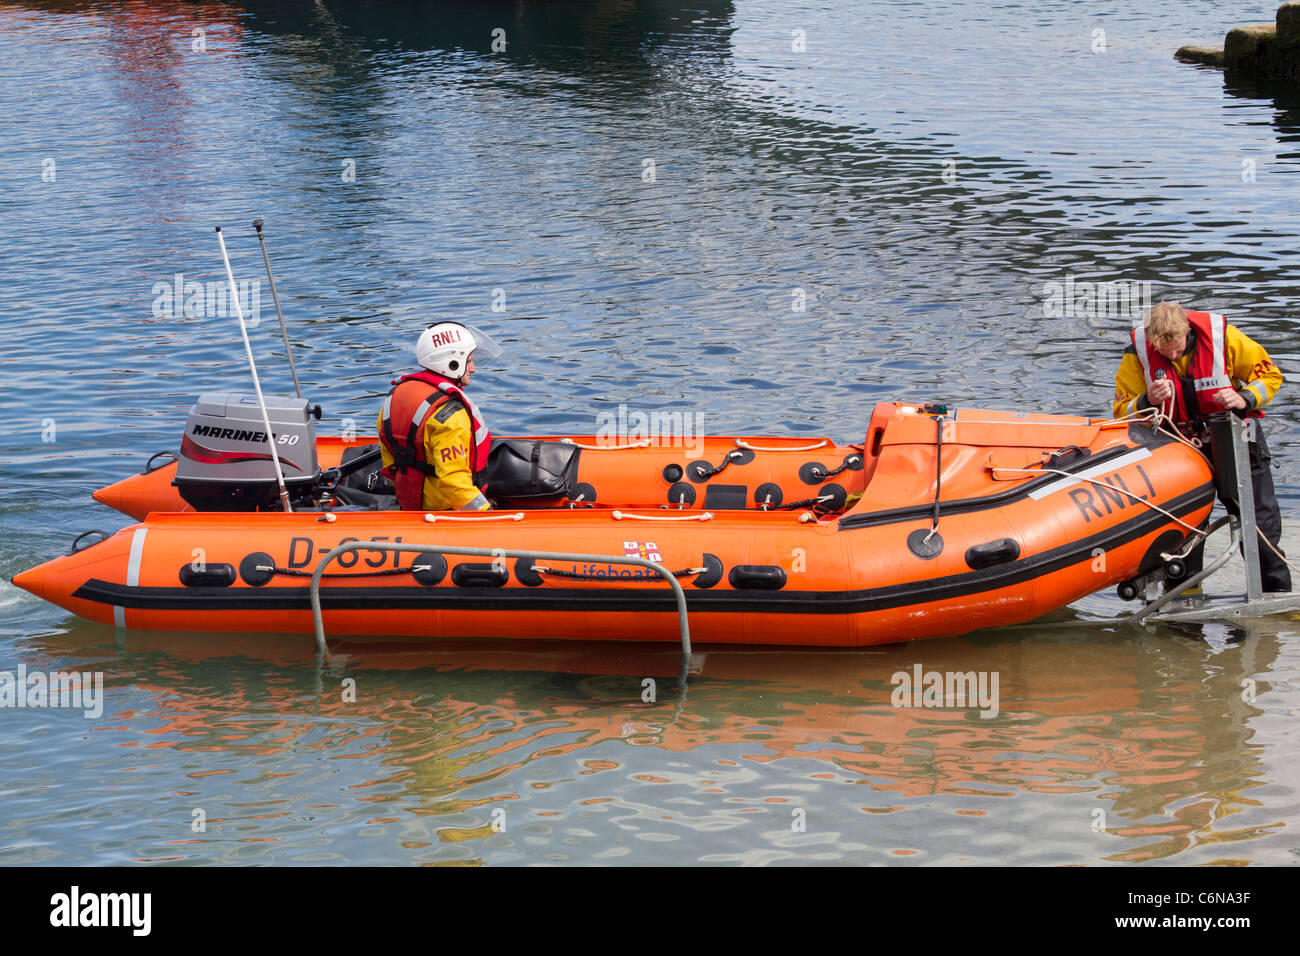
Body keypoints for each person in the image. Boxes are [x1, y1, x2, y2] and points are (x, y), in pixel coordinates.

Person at [1114, 301, 1290, 592]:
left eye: (1177, 347)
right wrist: (1147, 401)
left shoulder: (1224, 339)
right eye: (1163, 350)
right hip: (1182, 450)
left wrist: (1244, 398)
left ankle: (1275, 595)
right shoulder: (1138, 355)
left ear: (1187, 332)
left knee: (1259, 527)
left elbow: (1269, 375)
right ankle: (1184, 603)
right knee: (1183, 529)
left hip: (1234, 441)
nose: (1171, 354)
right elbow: (1122, 411)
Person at [378, 322, 497, 512]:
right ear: (451, 364)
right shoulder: (450, 416)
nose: (473, 369)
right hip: (443, 511)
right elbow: (453, 480)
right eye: (469, 361)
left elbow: (389, 461)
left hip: (410, 505)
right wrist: (485, 511)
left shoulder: (396, 396)